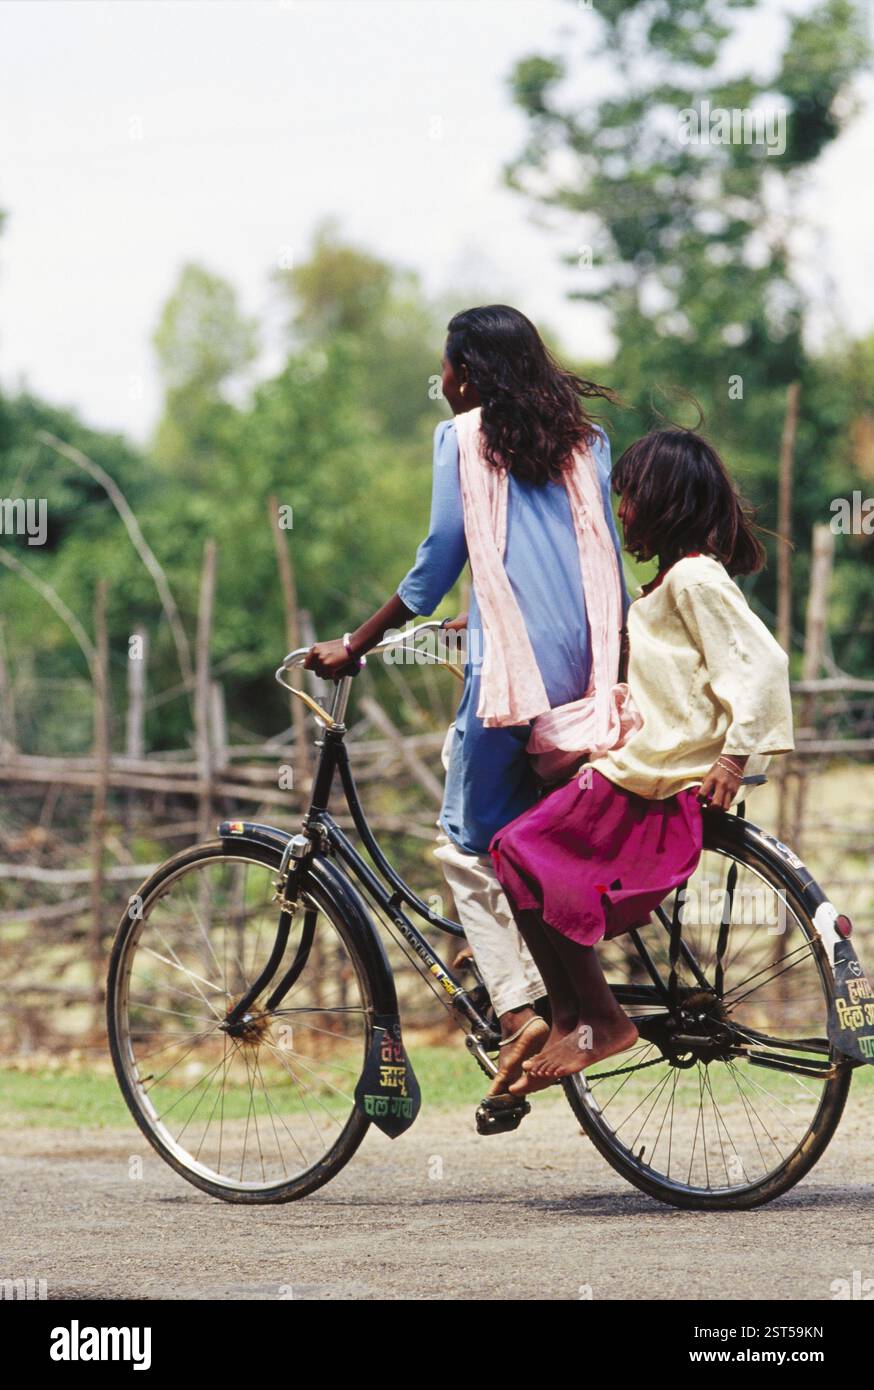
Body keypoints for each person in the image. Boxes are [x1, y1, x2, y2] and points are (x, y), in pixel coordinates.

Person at [303, 304, 634, 1096]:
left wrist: (356, 642)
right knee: (529, 836)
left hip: (514, 675)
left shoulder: (463, 438)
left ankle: (546, 1012)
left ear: (469, 375)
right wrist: (485, 611)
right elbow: (584, 561)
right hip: (590, 669)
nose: (442, 383)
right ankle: (558, 1005)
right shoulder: (586, 442)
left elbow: (437, 560)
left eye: (447, 368)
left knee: (467, 839)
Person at [488, 428, 795, 1093]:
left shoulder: (694, 578)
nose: (619, 510)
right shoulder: (669, 582)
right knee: (515, 853)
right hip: (639, 769)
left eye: (627, 497)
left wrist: (735, 759)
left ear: (662, 501)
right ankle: (571, 1017)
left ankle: (598, 1017)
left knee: (519, 848)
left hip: (657, 780)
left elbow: (763, 664)